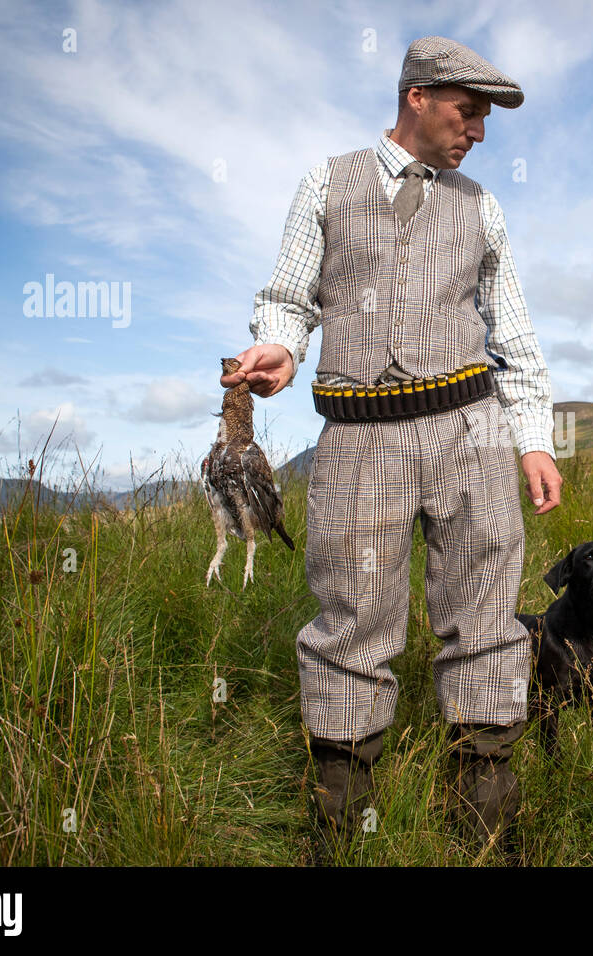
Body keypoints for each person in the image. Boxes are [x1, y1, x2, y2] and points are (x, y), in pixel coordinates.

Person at [220, 35, 562, 850]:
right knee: (352, 620)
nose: (478, 130)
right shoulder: (326, 183)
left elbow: (511, 328)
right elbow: (287, 297)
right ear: (418, 96)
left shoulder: (481, 205)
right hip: (359, 435)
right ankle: (339, 819)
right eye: (468, 110)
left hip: (470, 431)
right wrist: (280, 346)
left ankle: (484, 815)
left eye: (484, 117)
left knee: (485, 616)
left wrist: (535, 439)